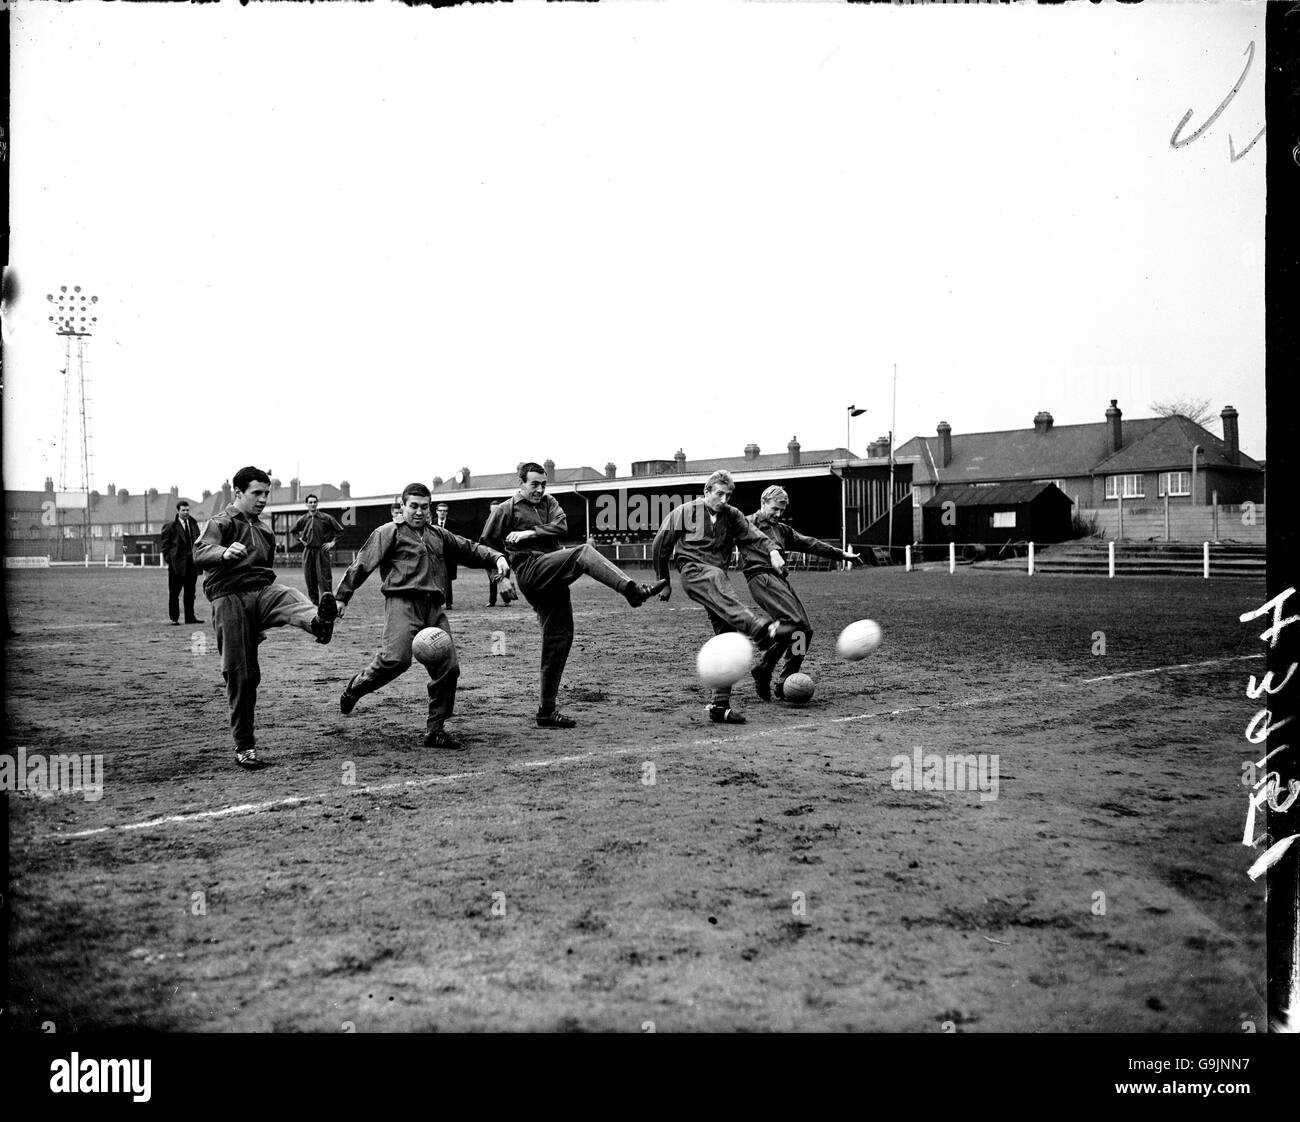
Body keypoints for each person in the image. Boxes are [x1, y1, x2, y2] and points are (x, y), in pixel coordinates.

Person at [480, 462, 667, 728]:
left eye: (543, 484)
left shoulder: (549, 502)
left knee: (559, 640)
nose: (540, 489)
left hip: (553, 574)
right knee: (582, 553)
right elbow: (485, 546)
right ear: (520, 483)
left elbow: (561, 527)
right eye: (534, 484)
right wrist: (500, 579)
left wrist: (530, 532)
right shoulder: (505, 510)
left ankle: (546, 711)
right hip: (531, 570)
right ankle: (632, 590)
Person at [335, 483, 511, 750]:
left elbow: (470, 549)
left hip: (433, 608)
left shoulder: (438, 535)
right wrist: (341, 597)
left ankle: (436, 729)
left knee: (449, 667)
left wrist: (496, 557)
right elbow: (362, 564)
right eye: (413, 506)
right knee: (396, 660)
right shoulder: (388, 533)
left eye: (424, 507)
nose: (419, 512)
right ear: (402, 507)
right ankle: (355, 688)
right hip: (402, 602)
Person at [193, 466, 338, 771]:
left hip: (261, 592)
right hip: (229, 598)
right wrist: (222, 553)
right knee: (243, 676)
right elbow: (200, 551)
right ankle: (245, 747)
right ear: (238, 493)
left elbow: (266, 571)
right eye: (256, 493)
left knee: (288, 594)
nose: (262, 499)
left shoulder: (266, 530)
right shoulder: (220, 522)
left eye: (266, 494)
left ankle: (319, 623)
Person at [650, 470, 797, 724]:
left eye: (728, 495)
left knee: (727, 637)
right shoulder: (684, 512)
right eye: (719, 493)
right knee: (716, 576)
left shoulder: (733, 515)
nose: (724, 499)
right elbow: (660, 546)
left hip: (719, 585)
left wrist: (773, 551)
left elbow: (755, 536)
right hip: (694, 572)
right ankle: (760, 629)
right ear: (706, 492)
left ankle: (720, 705)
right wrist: (663, 582)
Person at [743, 485, 860, 701]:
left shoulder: (783, 530)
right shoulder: (745, 523)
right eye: (775, 509)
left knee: (804, 631)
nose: (779, 515)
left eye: (782, 511)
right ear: (763, 502)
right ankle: (763, 651)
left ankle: (783, 679)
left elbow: (811, 544)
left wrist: (843, 555)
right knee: (793, 621)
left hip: (780, 581)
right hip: (761, 578)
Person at [292, 494, 344, 606]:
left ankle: (328, 606)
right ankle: (314, 606)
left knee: (324, 579)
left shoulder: (326, 518)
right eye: (310, 502)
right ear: (306, 504)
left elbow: (339, 530)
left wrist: (332, 543)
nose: (313, 504)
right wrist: (300, 540)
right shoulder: (303, 519)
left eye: (314, 502)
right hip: (308, 552)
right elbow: (293, 531)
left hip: (321, 551)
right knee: (310, 579)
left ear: (317, 503)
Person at [160, 499, 203, 625]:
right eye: (183, 510)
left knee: (190, 593)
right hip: (176, 566)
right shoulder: (170, 526)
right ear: (178, 511)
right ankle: (174, 618)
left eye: (187, 510)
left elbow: (198, 542)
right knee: (174, 593)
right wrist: (171, 561)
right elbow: (165, 546)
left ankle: (190, 617)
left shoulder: (193, 524)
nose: (186, 512)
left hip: (191, 565)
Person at [434, 502, 457, 608]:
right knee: (436, 579)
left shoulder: (453, 524)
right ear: (437, 512)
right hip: (436, 555)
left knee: (448, 580)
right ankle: (437, 602)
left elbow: (456, 539)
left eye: (444, 511)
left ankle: (449, 603)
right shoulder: (432, 523)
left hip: (449, 556)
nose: (442, 513)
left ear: (447, 513)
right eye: (440, 511)